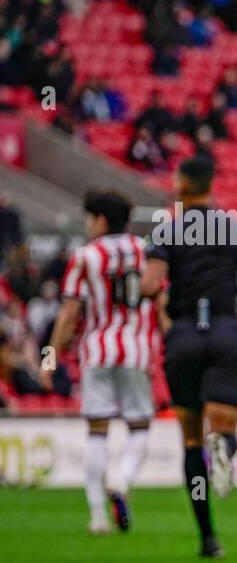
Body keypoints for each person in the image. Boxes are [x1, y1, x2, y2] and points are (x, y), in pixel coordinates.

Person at [141, 157, 237, 558]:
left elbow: (148, 286)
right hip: (222, 330)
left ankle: (208, 539)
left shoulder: (167, 230)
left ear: (182, 183)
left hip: (183, 335)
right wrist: (235, 304)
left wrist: (167, 309)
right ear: (211, 184)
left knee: (191, 440)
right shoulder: (236, 228)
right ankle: (226, 447)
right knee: (224, 424)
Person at [44, 191, 156, 534]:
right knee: (139, 427)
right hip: (136, 348)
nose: (87, 225)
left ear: (101, 220)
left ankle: (96, 518)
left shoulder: (85, 256)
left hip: (97, 349)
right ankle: (121, 482)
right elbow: (158, 294)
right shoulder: (144, 250)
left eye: (89, 219)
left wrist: (50, 358)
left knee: (97, 431)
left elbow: (69, 312)